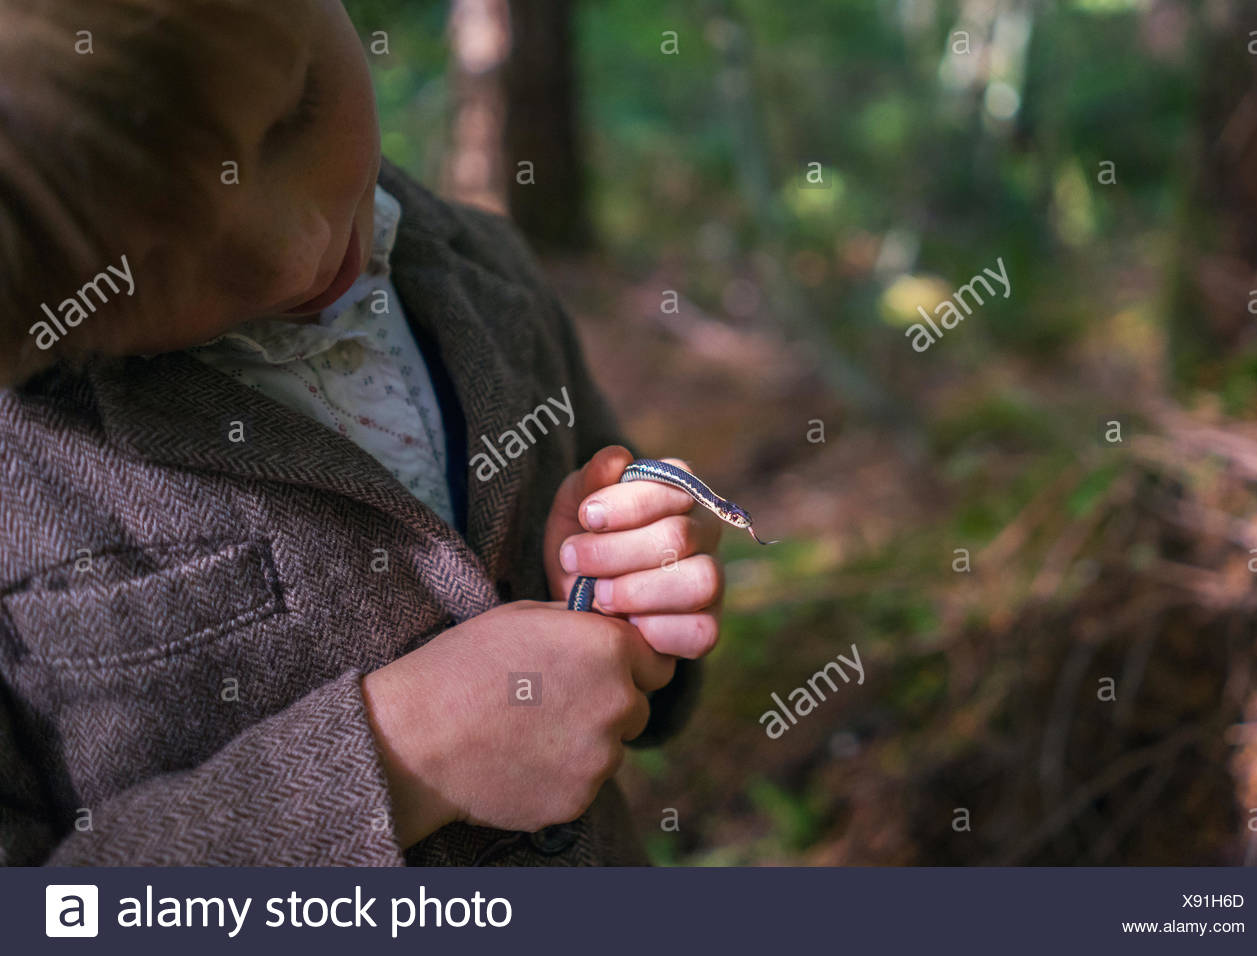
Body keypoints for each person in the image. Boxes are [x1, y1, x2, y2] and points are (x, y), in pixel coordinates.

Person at [0, 0, 724, 866]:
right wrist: (400, 763)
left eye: (289, 119)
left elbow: (633, 670)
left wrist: (637, 594)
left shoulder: (485, 268)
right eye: (157, 256)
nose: (298, 256)